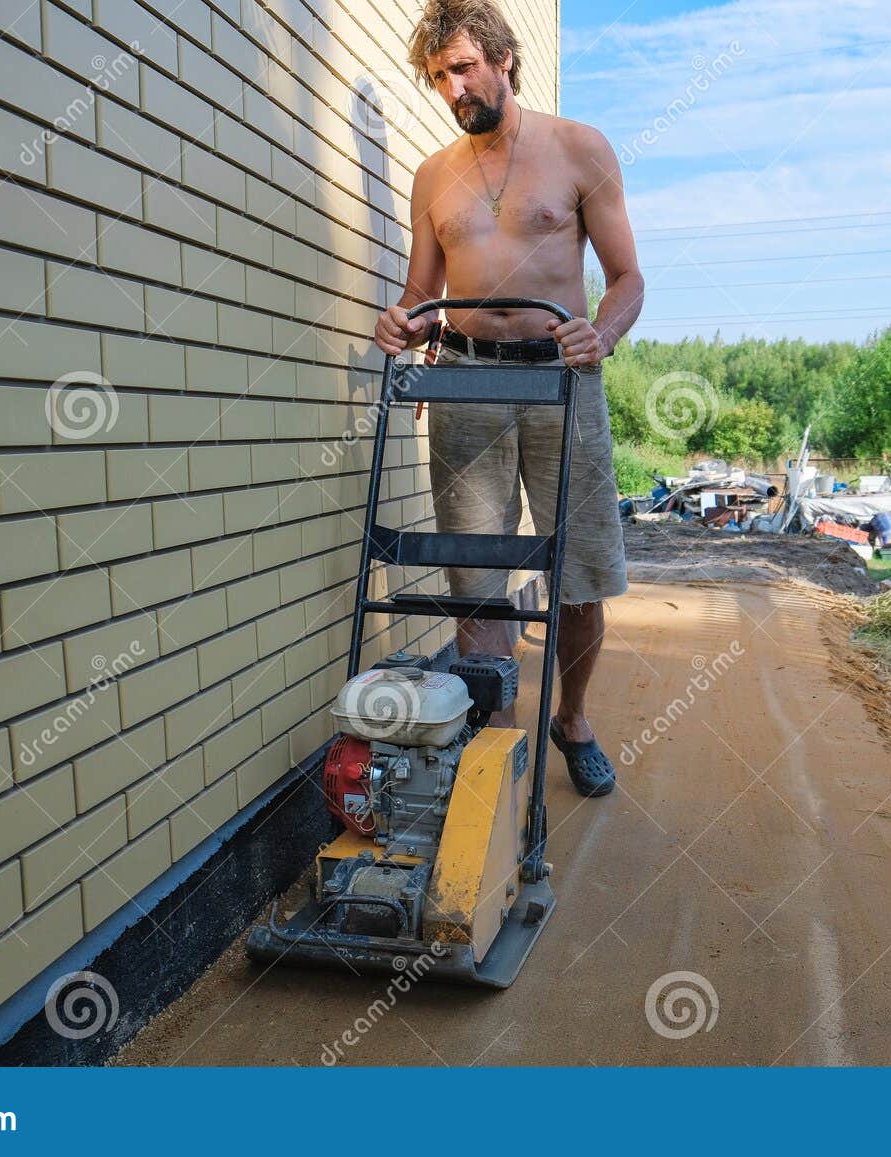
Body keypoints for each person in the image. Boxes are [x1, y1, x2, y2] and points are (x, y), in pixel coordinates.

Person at [373, 0, 645, 797]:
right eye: (438, 77)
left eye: (462, 69)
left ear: (504, 59)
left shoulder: (580, 148)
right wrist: (403, 319)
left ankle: (573, 719)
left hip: (563, 382)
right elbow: (422, 291)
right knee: (475, 574)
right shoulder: (434, 175)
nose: (452, 89)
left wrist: (602, 333)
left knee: (580, 571)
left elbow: (628, 278)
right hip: (465, 382)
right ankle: (496, 745)